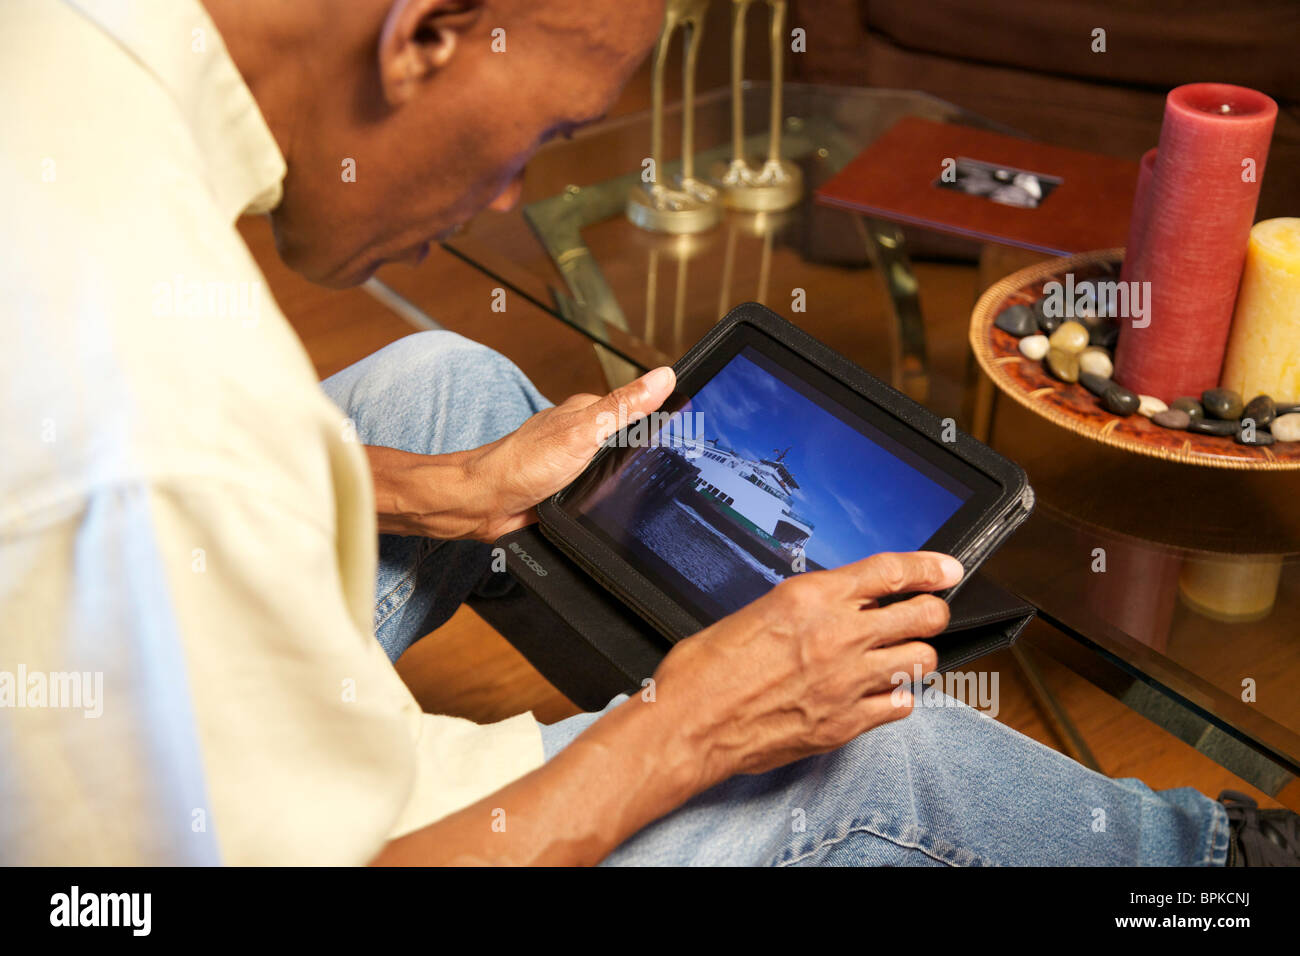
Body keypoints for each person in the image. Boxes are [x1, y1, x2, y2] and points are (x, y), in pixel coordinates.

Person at [1, 0, 1291, 867]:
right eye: (547, 139)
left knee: (449, 381)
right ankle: (1221, 867)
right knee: (884, 762)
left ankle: (621, 678)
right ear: (428, 32)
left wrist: (444, 489)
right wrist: (694, 727)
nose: (512, 194)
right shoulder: (161, 404)